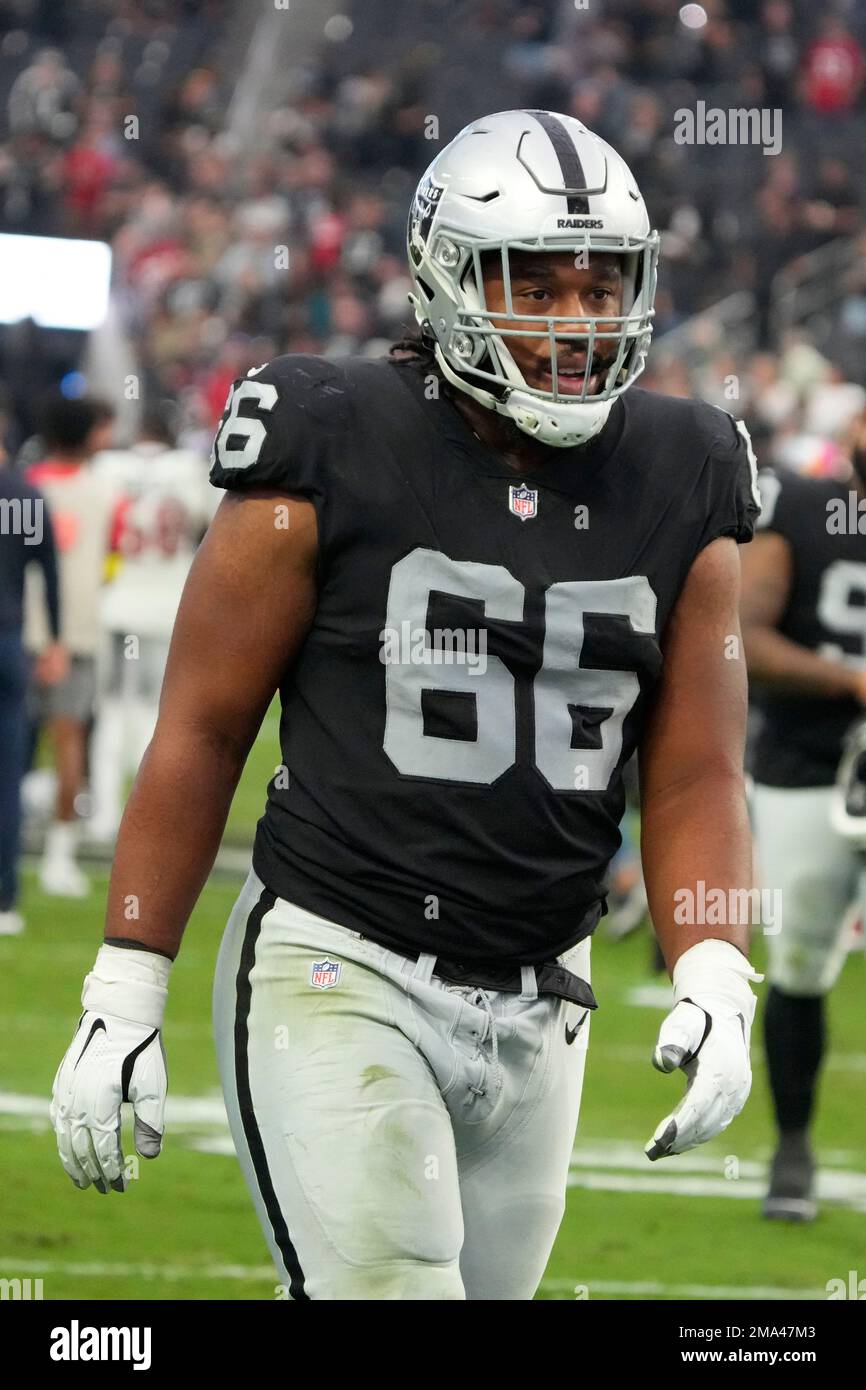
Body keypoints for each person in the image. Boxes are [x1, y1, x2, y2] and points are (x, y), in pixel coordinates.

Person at [51, 111, 762, 1301]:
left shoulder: (687, 467)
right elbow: (204, 728)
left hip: (543, 989)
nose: (573, 322)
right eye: (532, 284)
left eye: (603, 288)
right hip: (343, 955)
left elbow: (692, 769)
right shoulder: (329, 434)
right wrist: (125, 984)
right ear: (442, 276)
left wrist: (715, 968)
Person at [741, 408, 866, 1222]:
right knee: (800, 965)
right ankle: (792, 1146)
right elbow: (743, 636)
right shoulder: (804, 509)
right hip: (809, 768)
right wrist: (854, 686)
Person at [25, 395, 115, 896]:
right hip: (77, 634)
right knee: (70, 746)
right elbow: (110, 556)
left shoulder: (25, 488)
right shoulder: (103, 493)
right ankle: (59, 857)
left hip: (21, 631)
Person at [0, 448, 66, 935]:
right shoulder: (23, 496)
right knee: (7, 775)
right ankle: (4, 896)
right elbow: (49, 571)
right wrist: (57, 639)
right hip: (8, 641)